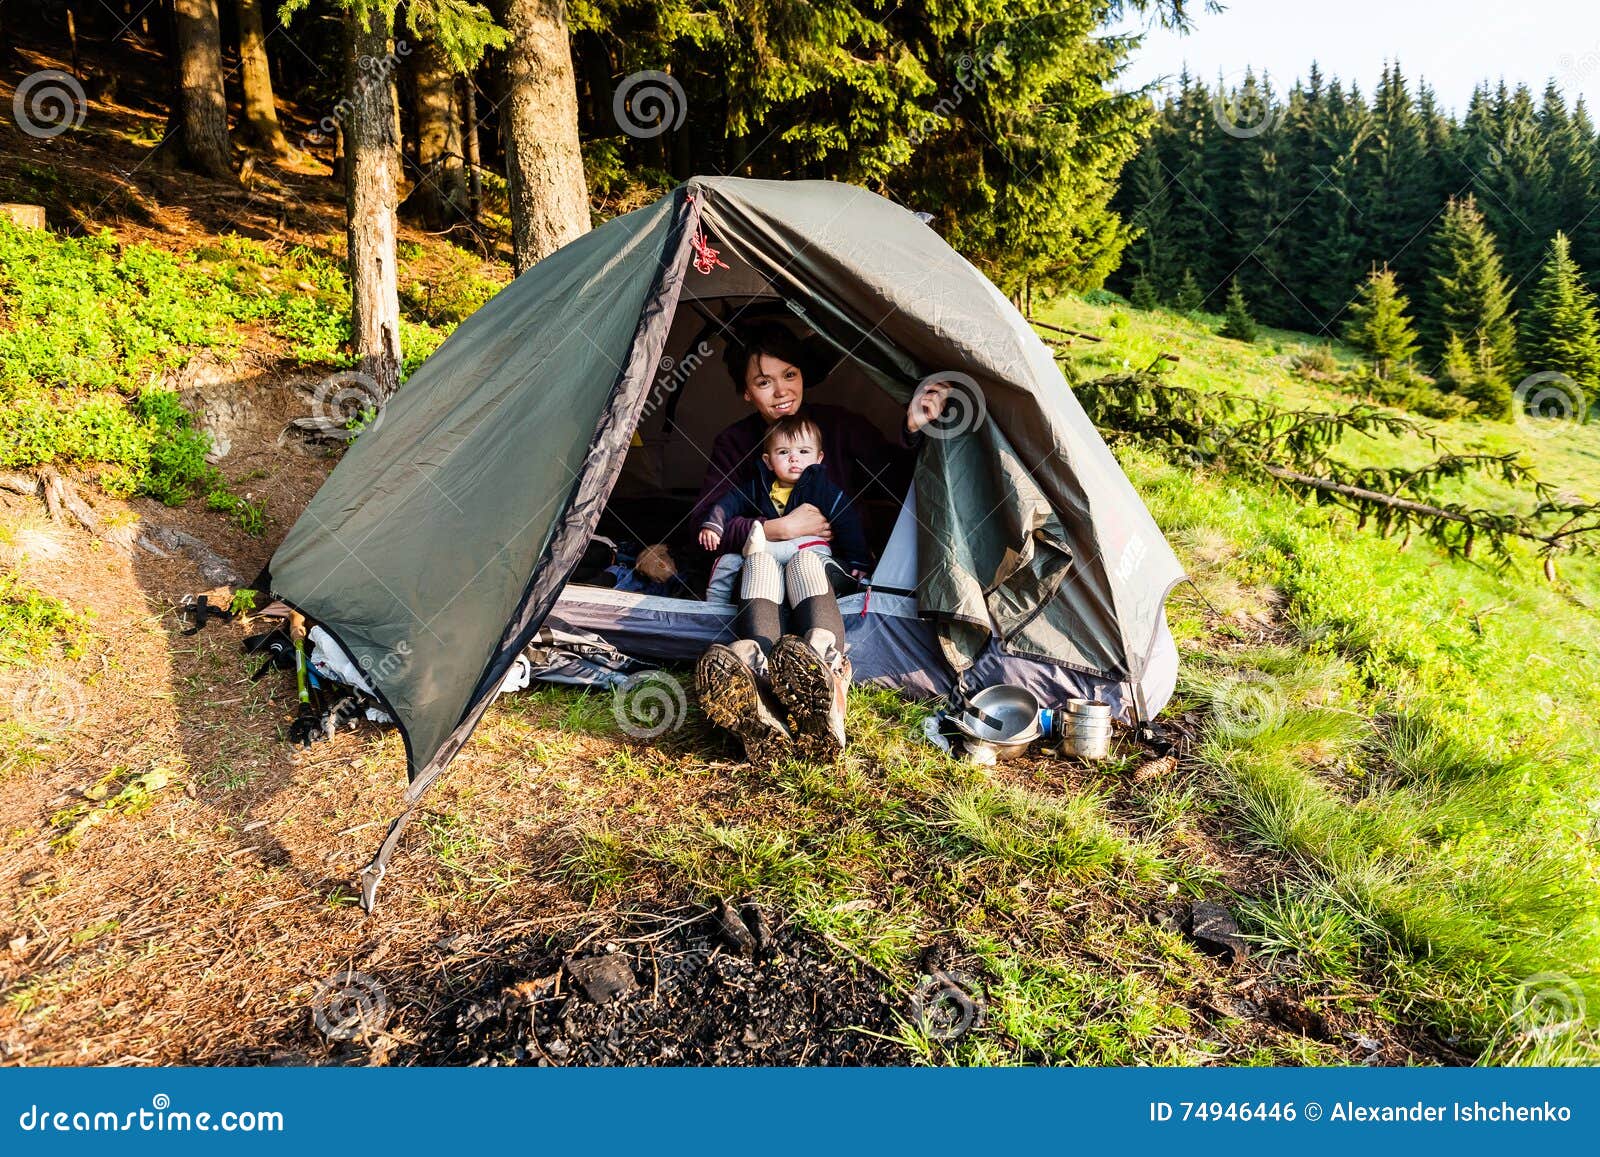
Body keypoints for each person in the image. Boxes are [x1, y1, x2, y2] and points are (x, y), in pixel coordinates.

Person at [693, 321, 949, 763]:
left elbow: (901, 480)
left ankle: (823, 669)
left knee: (803, 565)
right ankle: (759, 682)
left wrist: (914, 428)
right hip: (765, 572)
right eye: (763, 382)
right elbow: (705, 519)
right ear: (745, 393)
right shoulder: (736, 443)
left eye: (789, 375)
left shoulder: (840, 426)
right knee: (761, 564)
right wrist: (775, 529)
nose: (781, 392)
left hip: (829, 571)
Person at [698, 413, 870, 604]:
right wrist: (714, 524)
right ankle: (715, 605)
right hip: (765, 564)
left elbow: (848, 523)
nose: (794, 458)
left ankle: (760, 549)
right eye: (783, 452)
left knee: (813, 546)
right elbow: (730, 502)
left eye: (804, 452)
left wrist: (858, 560)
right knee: (728, 560)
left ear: (819, 458)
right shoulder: (759, 486)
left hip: (806, 559)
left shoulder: (823, 489)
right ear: (768, 461)